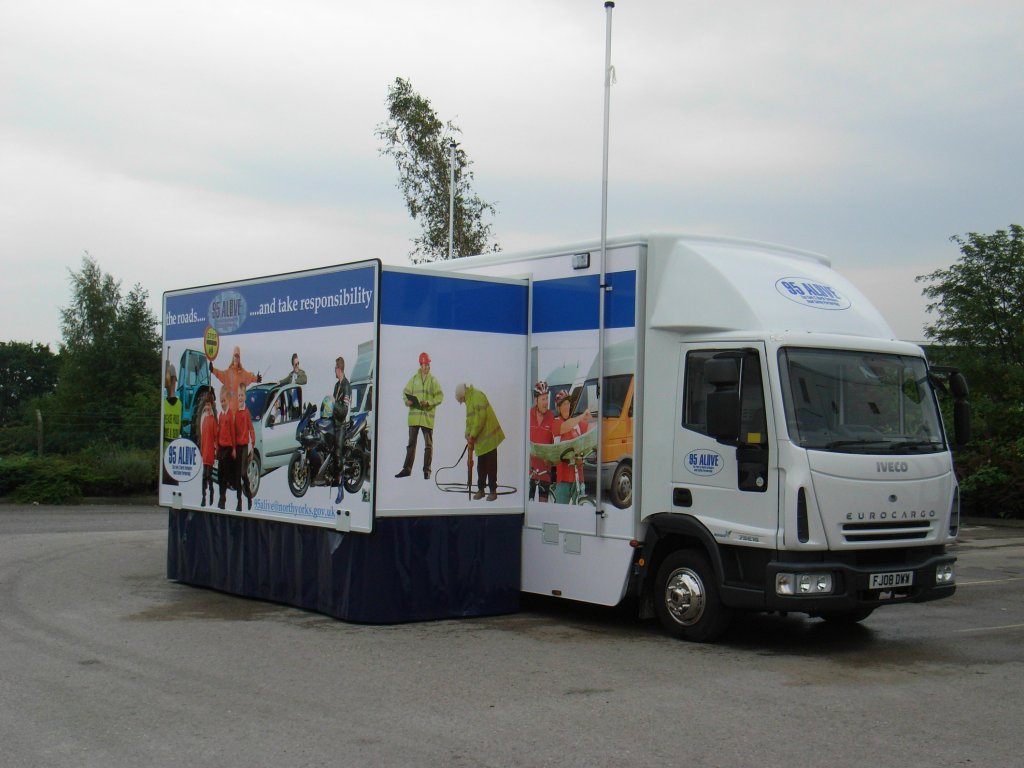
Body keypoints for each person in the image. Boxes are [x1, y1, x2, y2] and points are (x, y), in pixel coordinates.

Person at [396, 352, 444, 479]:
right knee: (411, 444)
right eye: (425, 364)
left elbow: (440, 397)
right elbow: (405, 392)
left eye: (428, 364)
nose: (427, 367)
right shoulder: (413, 379)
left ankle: (427, 471)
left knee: (428, 445)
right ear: (420, 365)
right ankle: (407, 469)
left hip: (427, 418)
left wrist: (429, 402)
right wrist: (407, 401)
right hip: (414, 418)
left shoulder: (433, 380)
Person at [455, 383, 504, 502]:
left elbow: (481, 418)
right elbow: (470, 420)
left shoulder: (476, 396)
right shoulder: (470, 400)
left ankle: (493, 491)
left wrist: (472, 435)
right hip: (482, 441)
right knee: (481, 466)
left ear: (463, 395)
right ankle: (481, 490)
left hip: (490, 437)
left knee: (491, 466)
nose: (463, 402)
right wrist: (467, 433)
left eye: (462, 400)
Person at [552, 390, 592, 504]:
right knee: (561, 513)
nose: (566, 406)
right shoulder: (556, 423)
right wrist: (582, 416)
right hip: (563, 478)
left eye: (568, 403)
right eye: (563, 404)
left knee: (579, 510)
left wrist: (590, 416)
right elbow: (565, 427)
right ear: (558, 408)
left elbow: (591, 429)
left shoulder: (578, 424)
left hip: (578, 477)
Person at [210, 346, 260, 413]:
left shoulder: (242, 372)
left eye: (238, 356)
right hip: (230, 405)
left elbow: (250, 377)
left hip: (240, 405)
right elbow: (220, 374)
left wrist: (257, 378)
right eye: (235, 356)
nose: (236, 358)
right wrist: (213, 370)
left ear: (239, 359)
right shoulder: (229, 372)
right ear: (233, 358)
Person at [528, 381, 555, 502]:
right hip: (530, 471)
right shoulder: (528, 415)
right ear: (536, 400)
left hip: (545, 471)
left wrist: (551, 457)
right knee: (529, 506)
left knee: (543, 506)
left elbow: (554, 443)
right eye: (543, 399)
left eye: (547, 399)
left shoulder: (551, 416)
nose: (546, 402)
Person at [332, 356, 352, 504]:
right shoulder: (336, 385)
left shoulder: (346, 386)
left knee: (338, 454)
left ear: (339, 369)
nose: (334, 371)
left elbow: (344, 410)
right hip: (333, 422)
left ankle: (340, 489)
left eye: (335, 368)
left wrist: (333, 403)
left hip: (342, 425)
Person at [234, 389, 256, 511]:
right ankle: (239, 502)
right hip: (237, 447)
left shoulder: (246, 413)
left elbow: (251, 429)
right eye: (239, 396)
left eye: (242, 395)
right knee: (237, 476)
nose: (240, 397)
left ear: (245, 397)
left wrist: (252, 446)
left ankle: (249, 497)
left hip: (244, 447)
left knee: (243, 473)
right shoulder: (236, 413)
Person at [215, 386, 236, 510]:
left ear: (228, 401)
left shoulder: (229, 415)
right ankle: (221, 496)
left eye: (224, 401)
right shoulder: (221, 416)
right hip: (221, 448)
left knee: (225, 474)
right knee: (219, 474)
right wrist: (217, 446)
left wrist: (233, 448)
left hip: (228, 448)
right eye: (221, 401)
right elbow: (218, 432)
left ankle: (223, 497)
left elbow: (233, 432)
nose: (222, 403)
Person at [199, 390, 218, 506]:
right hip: (204, 452)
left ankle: (211, 493)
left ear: (212, 406)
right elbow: (202, 437)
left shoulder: (213, 421)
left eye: (209, 405)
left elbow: (215, 438)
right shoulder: (204, 420)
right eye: (206, 405)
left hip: (210, 453)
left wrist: (215, 451)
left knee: (208, 475)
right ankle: (203, 497)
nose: (207, 407)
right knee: (203, 476)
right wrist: (201, 449)